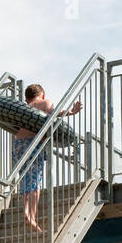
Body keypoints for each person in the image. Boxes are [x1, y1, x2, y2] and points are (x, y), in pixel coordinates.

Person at [12, 84, 81, 233]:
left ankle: (27, 210)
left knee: (25, 180)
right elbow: (52, 116)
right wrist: (71, 112)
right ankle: (30, 216)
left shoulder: (25, 107)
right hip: (33, 145)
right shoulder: (45, 102)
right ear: (42, 94)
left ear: (26, 98)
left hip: (18, 145)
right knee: (35, 183)